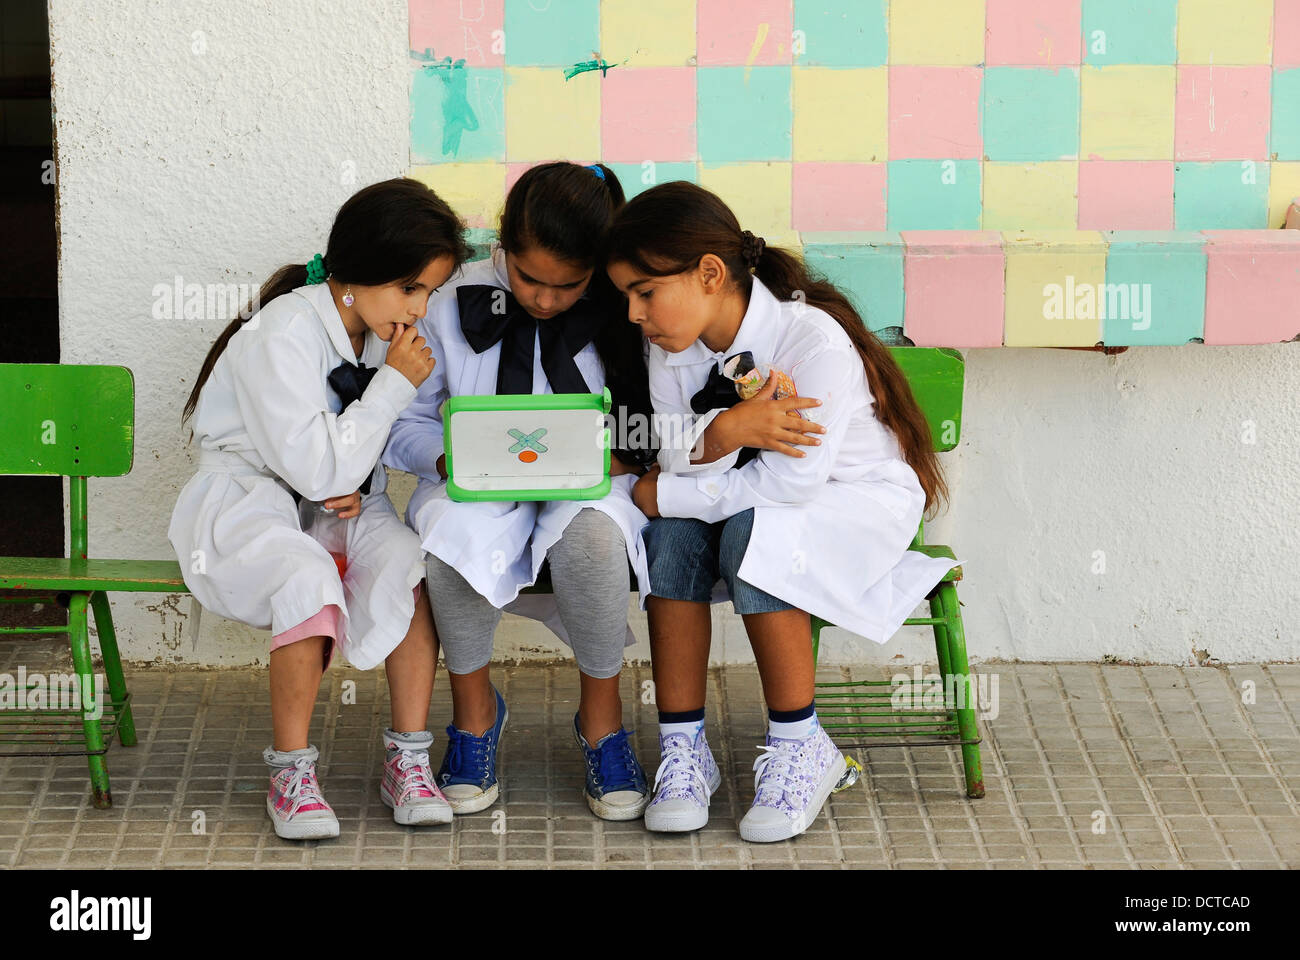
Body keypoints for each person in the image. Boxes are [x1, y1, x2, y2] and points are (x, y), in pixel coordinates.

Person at [605, 181, 962, 842]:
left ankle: (801, 744)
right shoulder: (669, 348)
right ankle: (684, 750)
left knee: (750, 527)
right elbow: (680, 452)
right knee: (672, 537)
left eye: (644, 292)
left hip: (852, 503)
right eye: (627, 295)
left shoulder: (812, 342)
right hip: (756, 495)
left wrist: (672, 484)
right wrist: (729, 431)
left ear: (710, 274)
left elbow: (792, 484)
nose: (633, 314)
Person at [168, 178, 473, 839]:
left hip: (335, 503)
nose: (420, 310)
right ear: (359, 273)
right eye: (410, 288)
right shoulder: (283, 334)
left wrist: (336, 471)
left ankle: (409, 760)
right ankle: (292, 774)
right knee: (304, 578)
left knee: (409, 564)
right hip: (245, 502)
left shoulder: (372, 329)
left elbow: (345, 461)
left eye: (429, 291)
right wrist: (389, 391)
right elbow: (314, 462)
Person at [383, 162, 657, 821]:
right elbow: (402, 423)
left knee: (595, 537)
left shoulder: (627, 307)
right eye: (529, 278)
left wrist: (625, 454)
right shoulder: (450, 302)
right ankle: (475, 715)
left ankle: (602, 719)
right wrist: (448, 458)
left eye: (568, 286)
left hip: (591, 485)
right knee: (448, 534)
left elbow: (658, 415)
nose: (543, 300)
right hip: (474, 486)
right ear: (503, 248)